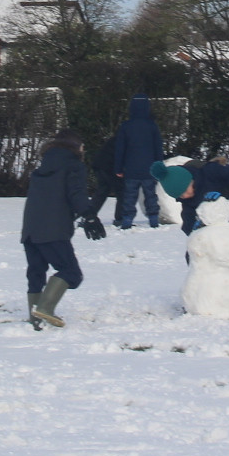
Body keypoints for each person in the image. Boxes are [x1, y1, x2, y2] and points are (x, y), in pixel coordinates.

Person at [21, 128, 106, 329]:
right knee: (71, 272)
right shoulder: (73, 165)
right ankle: (45, 308)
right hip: (53, 231)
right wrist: (89, 215)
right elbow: (76, 193)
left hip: (30, 231)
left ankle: (36, 318)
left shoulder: (42, 168)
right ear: (76, 146)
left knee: (36, 272)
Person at [154, 153, 229, 262]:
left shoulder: (211, 171)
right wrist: (195, 228)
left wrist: (226, 190)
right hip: (210, 225)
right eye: (181, 196)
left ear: (190, 180)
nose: (185, 196)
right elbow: (188, 221)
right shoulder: (187, 200)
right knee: (196, 256)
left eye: (186, 191)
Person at [111, 94, 165, 229]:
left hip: (131, 168)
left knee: (129, 196)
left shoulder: (126, 126)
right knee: (150, 195)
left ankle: (127, 220)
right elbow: (158, 148)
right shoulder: (152, 126)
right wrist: (159, 167)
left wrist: (118, 168)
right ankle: (153, 219)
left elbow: (120, 149)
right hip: (149, 168)